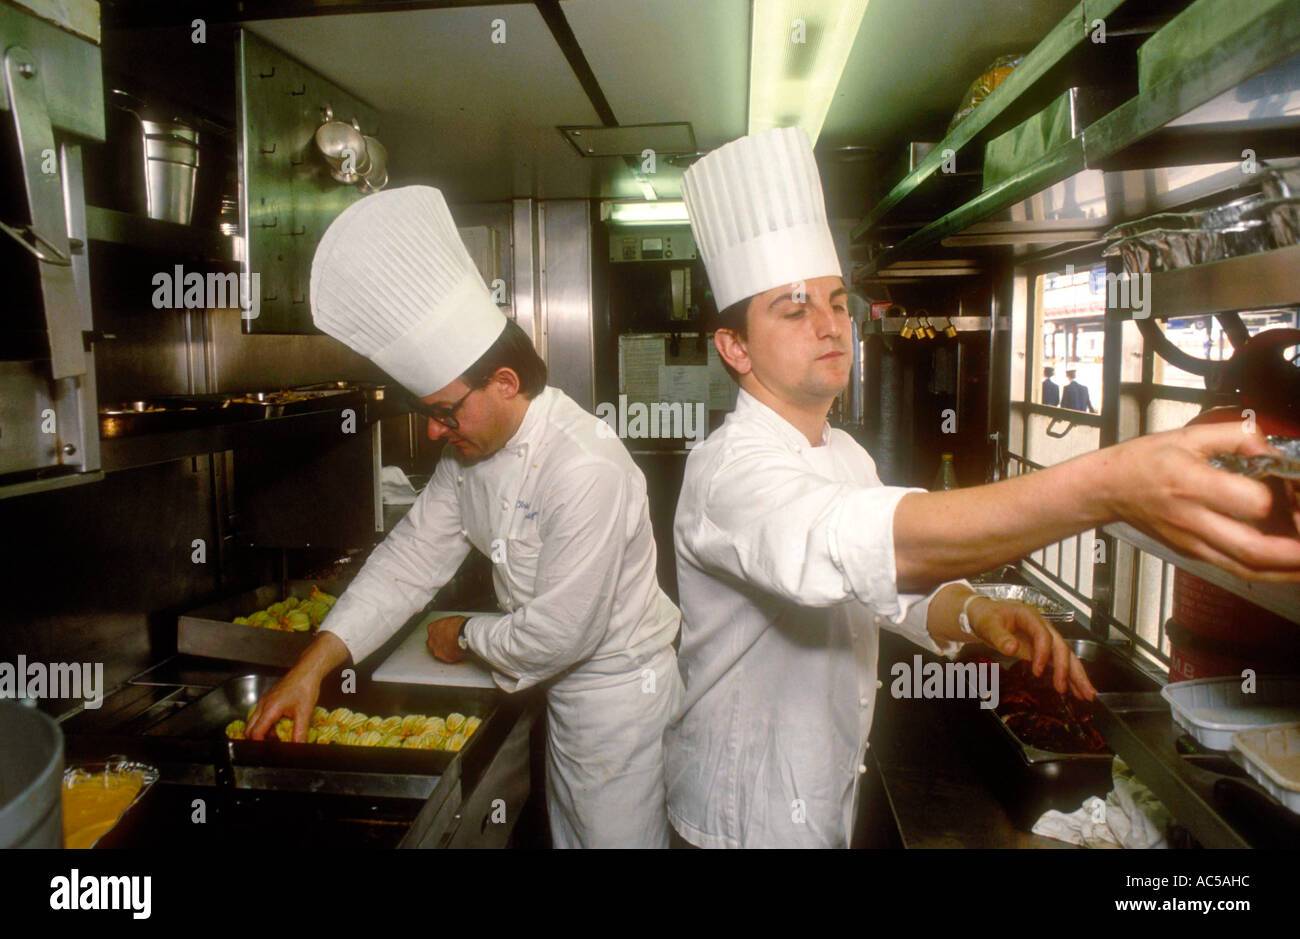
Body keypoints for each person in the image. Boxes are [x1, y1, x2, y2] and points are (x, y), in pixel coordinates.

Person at [665, 126, 1300, 849]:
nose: (829, 325)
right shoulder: (726, 471)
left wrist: (974, 610)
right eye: (793, 307)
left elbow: (887, 586)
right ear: (734, 347)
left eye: (838, 302)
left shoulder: (842, 453)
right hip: (733, 824)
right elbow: (839, 545)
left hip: (821, 799)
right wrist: (1104, 486)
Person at [246, 186, 683, 848]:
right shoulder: (472, 452)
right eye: (430, 411)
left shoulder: (585, 469)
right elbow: (409, 560)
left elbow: (560, 635)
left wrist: (465, 633)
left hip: (620, 704)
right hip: (564, 701)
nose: (436, 430)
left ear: (506, 383)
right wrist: (312, 665)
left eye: (447, 410)